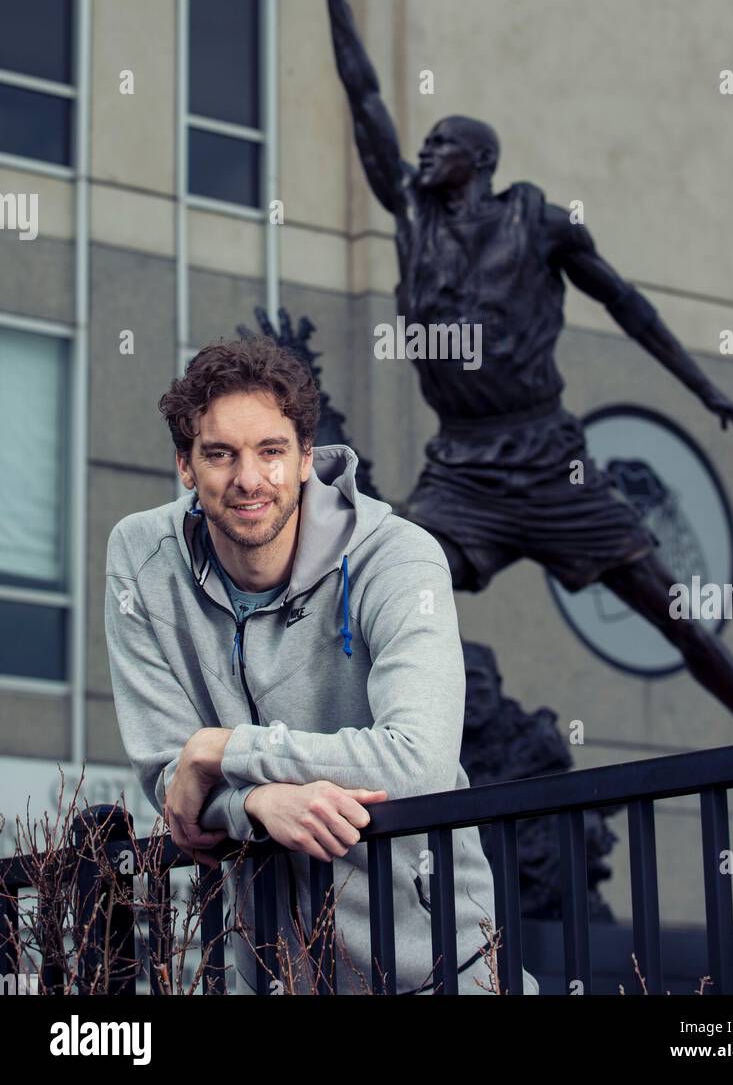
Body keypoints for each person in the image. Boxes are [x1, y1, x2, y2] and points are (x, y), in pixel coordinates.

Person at [295, 0, 733, 816]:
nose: (424, 151)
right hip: (465, 466)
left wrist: (707, 391)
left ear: (477, 161)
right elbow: (363, 99)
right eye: (425, 142)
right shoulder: (413, 217)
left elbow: (626, 305)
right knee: (380, 577)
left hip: (548, 456)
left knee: (663, 604)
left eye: (442, 142)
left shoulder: (539, 223)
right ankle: (344, 750)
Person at [104, 335, 539, 995]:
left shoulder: (397, 557)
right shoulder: (142, 560)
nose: (249, 479)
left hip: (440, 970)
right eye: (220, 454)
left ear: (306, 458)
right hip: (275, 973)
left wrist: (223, 749)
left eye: (271, 452)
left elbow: (418, 761)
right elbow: (173, 782)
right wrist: (256, 801)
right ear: (186, 467)